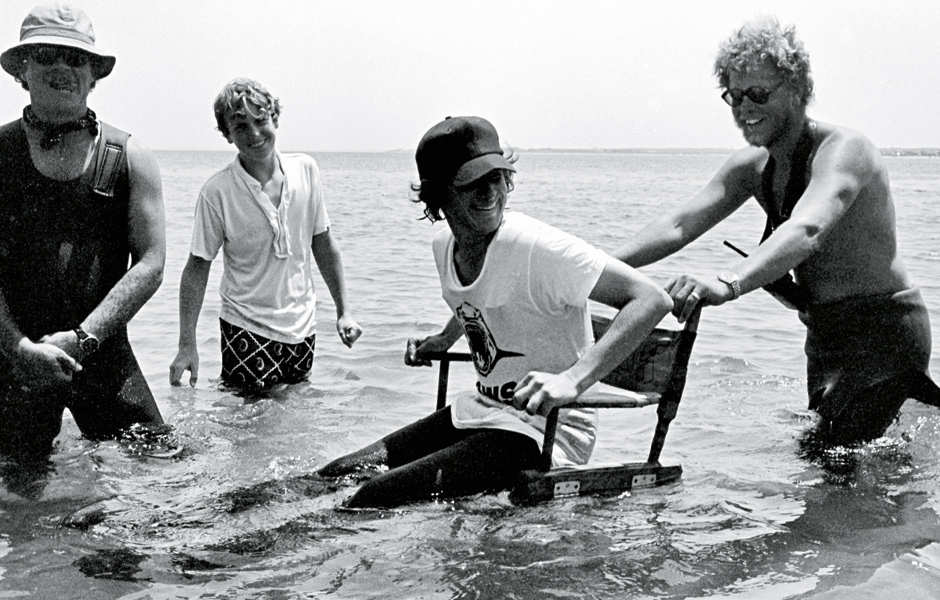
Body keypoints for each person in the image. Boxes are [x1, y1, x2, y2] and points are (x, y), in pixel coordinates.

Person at [613, 16, 939, 446]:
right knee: (842, 467)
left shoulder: (844, 150)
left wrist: (728, 283)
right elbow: (677, 225)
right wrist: (590, 267)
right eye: (734, 95)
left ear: (798, 89)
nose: (745, 108)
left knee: (832, 461)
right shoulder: (752, 168)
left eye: (759, 94)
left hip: (883, 332)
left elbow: (808, 229)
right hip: (823, 336)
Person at [317, 116, 673, 508]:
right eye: (471, 183)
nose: (490, 193)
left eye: (497, 178)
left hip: (543, 431)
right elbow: (482, 297)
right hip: (483, 410)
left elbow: (651, 299)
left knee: (373, 496)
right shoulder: (444, 247)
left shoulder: (537, 247)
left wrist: (572, 380)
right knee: (336, 475)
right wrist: (445, 337)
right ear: (438, 195)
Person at [0, 3, 167, 465]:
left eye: (76, 59)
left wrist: (84, 338)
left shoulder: (129, 157)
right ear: (23, 70)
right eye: (48, 55)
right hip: (15, 361)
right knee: (18, 502)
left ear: (93, 75)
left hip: (102, 355)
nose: (62, 68)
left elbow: (151, 263)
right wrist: (17, 347)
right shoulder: (1, 156)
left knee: (161, 480)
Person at [169, 78, 362, 392]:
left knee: (295, 418)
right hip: (247, 325)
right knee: (251, 423)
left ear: (275, 117)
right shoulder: (217, 193)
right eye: (241, 127)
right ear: (226, 134)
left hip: (302, 328)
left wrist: (344, 312)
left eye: (261, 121)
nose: (255, 134)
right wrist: (187, 344)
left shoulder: (306, 170)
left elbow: (322, 243)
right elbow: (197, 267)